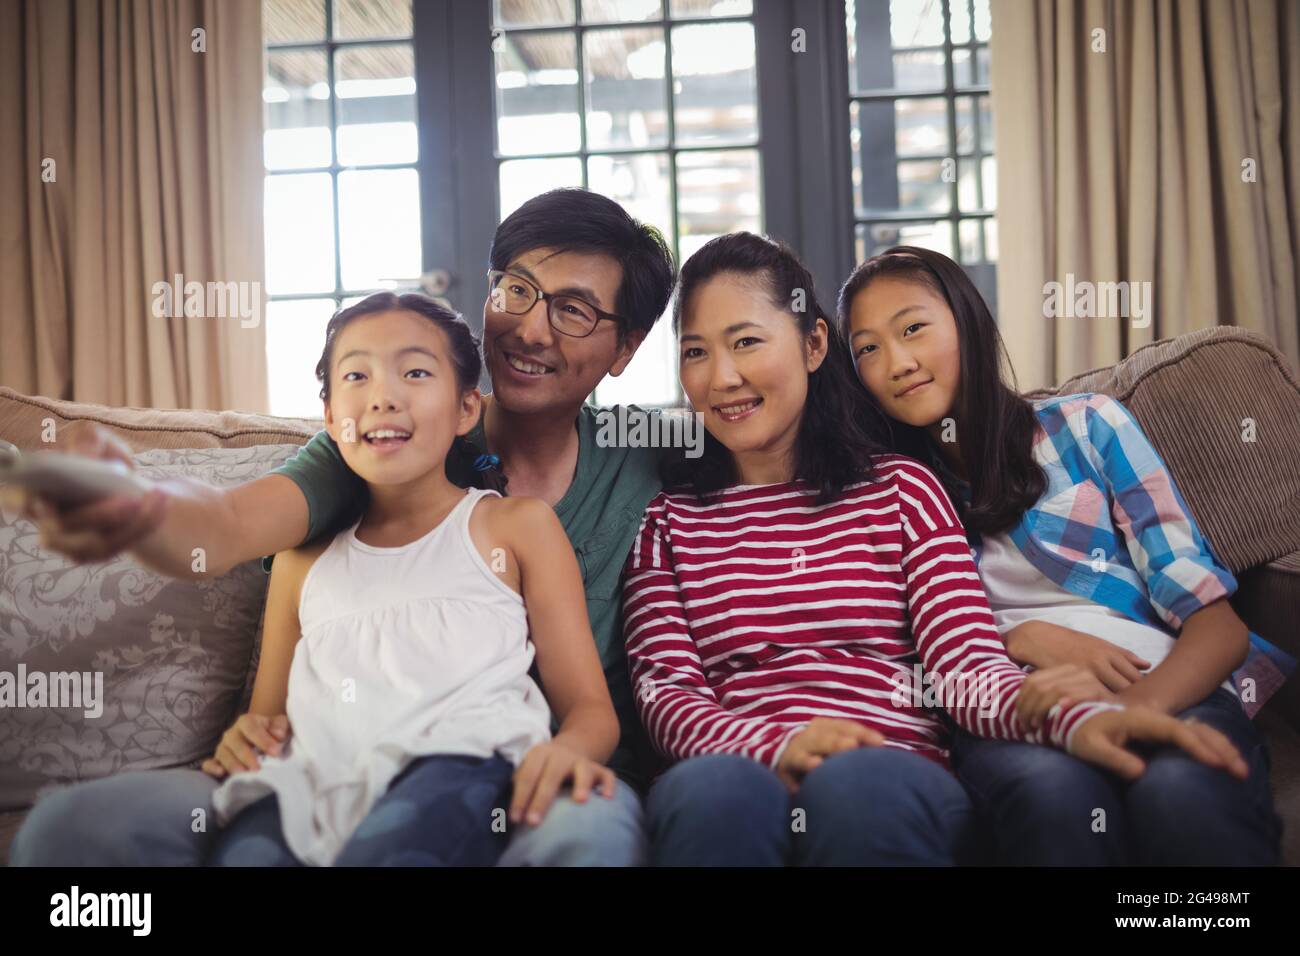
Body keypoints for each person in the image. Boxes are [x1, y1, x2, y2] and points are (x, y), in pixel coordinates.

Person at [10, 188, 675, 867]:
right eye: (517, 290)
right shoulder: (375, 447)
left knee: (585, 837)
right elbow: (226, 523)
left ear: (625, 346)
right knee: (76, 831)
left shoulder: (649, 451)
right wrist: (132, 504)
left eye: (573, 310)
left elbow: (765, 432)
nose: (531, 329)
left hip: (529, 782)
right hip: (327, 774)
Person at [622, 232, 1249, 866]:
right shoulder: (666, 525)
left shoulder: (902, 489)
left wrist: (1075, 719)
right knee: (711, 794)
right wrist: (774, 747)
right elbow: (666, 693)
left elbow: (962, 664)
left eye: (746, 342)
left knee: (857, 786)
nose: (722, 377)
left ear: (814, 345)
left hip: (890, 765)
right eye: (695, 352)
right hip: (732, 764)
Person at [836, 245, 1282, 865]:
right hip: (1013, 710)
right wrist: (1021, 636)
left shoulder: (1086, 426)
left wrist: (1132, 712)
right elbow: (902, 648)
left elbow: (1217, 626)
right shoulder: (890, 495)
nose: (898, 362)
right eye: (867, 349)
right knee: (1053, 800)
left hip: (1160, 681)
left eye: (913, 328)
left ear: (966, 321)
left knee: (1178, 794)